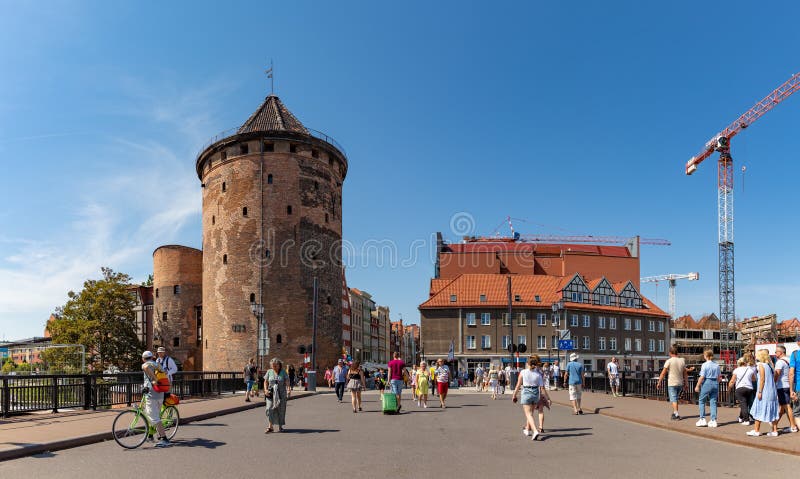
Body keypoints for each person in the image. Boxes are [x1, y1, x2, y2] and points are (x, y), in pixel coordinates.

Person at [512, 355, 546, 441]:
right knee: (531, 413)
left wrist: (514, 395)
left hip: (526, 392)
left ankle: (534, 431)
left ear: (527, 363)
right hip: (535, 393)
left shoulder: (523, 372)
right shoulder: (538, 374)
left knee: (528, 414)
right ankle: (527, 429)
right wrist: (545, 398)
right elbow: (542, 387)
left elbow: (518, 385)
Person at [141, 350, 171, 447]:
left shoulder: (146, 364)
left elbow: (145, 367)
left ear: (143, 359)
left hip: (151, 394)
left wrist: (155, 379)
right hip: (160, 394)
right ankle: (150, 435)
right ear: (152, 357)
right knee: (155, 415)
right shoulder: (158, 364)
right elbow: (165, 373)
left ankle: (164, 438)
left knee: (153, 416)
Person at [748, 349, 780, 437]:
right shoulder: (769, 366)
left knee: (759, 409)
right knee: (773, 411)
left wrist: (760, 391)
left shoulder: (761, 365)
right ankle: (774, 431)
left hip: (764, 391)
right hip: (772, 391)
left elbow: (762, 379)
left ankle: (756, 430)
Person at [657, 347, 688, 420]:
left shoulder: (669, 361)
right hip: (680, 383)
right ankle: (674, 413)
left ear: (670, 353)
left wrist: (659, 382)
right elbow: (685, 374)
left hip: (672, 383)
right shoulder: (682, 361)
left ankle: (676, 414)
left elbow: (663, 373)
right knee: (675, 399)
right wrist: (686, 384)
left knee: (673, 399)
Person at [773, 345, 798, 433]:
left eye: (776, 352)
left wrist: (773, 383)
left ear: (781, 352)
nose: (775, 353)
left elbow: (777, 374)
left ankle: (793, 426)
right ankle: (774, 424)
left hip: (782, 386)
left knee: (787, 407)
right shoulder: (788, 359)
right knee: (783, 407)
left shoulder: (780, 362)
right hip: (789, 385)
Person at [694, 349, 720, 428]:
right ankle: (713, 420)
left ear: (706, 356)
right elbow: (719, 378)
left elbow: (702, 377)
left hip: (707, 382)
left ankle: (702, 419)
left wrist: (697, 385)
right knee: (713, 401)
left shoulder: (704, 365)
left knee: (702, 400)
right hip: (715, 382)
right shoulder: (717, 365)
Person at [728, 355, 757, 425]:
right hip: (749, 388)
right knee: (745, 403)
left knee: (743, 404)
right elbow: (754, 379)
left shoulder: (736, 370)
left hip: (740, 388)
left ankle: (746, 420)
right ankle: (741, 417)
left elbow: (732, 381)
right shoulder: (750, 370)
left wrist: (729, 388)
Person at [264, 357, 290, 433]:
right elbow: (265, 381)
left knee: (280, 410)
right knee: (269, 408)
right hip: (271, 393)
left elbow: (287, 380)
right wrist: (265, 390)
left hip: (281, 393)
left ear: (279, 365)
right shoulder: (269, 371)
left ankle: (280, 426)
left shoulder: (283, 372)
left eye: (275, 366)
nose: (274, 367)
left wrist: (288, 389)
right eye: (272, 366)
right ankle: (270, 426)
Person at [790, 339, 800, 416]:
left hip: (798, 387)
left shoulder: (795, 354)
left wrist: (791, 390)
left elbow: (791, 374)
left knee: (797, 413)